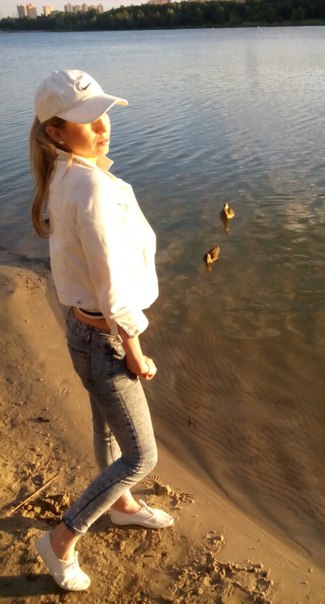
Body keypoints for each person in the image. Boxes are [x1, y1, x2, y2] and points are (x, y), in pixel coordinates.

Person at [29, 69, 174, 592]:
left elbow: (84, 271)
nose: (102, 126)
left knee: (109, 430)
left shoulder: (66, 174)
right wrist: (133, 348)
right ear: (56, 132)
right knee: (142, 455)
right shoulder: (89, 185)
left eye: (103, 113)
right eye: (86, 120)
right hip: (105, 337)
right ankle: (61, 540)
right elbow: (111, 285)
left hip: (83, 330)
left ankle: (124, 505)